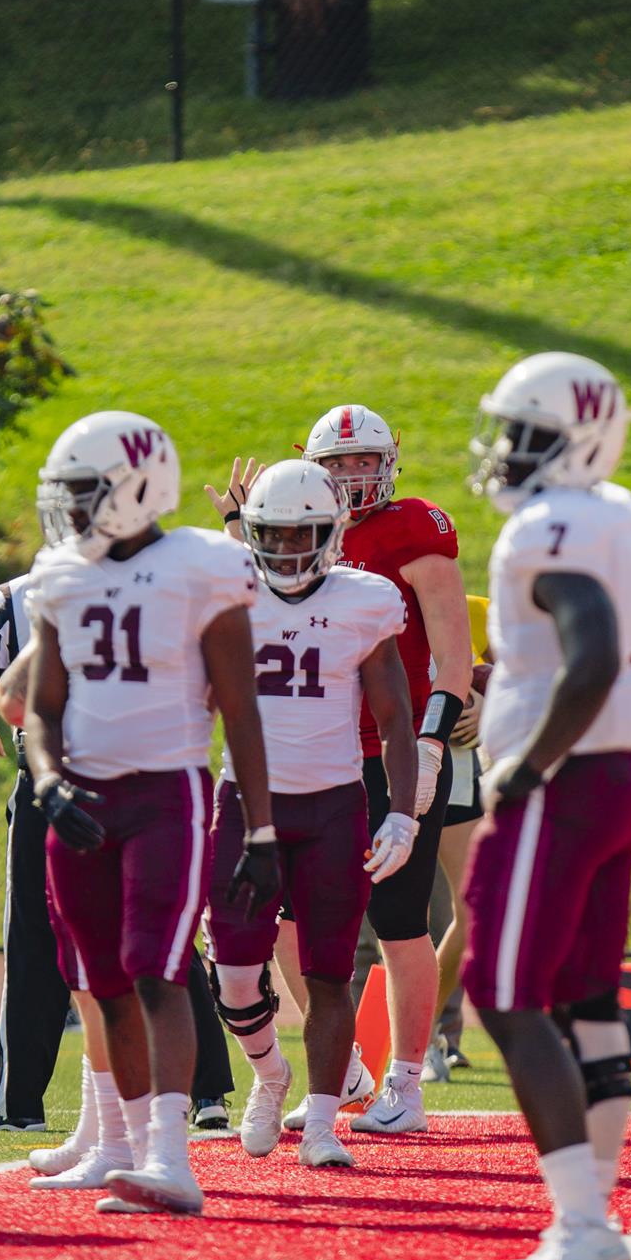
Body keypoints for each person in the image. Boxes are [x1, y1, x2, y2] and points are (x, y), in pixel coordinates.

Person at [21, 409, 272, 1216]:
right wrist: (50, 780)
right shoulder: (60, 574)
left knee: (155, 966)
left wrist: (260, 827)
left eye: (87, 491)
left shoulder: (203, 565)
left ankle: (173, 1158)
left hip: (166, 789)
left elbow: (241, 707)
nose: (74, 509)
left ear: (134, 486)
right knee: (100, 980)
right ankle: (122, 1151)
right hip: (82, 799)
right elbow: (41, 704)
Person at [461, 351, 631, 1260]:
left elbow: (591, 656)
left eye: (526, 433)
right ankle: (599, 1209)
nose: (508, 449)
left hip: (566, 783)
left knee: (506, 996)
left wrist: (529, 761)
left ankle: (583, 1219)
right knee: (586, 997)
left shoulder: (547, 530)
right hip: (617, 775)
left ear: (575, 438)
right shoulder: (617, 514)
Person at [207, 405, 472, 1137]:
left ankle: (407, 1082)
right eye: (339, 463)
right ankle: (343, 1064)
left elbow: (453, 652)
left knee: (398, 921)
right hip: (313, 757)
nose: (354, 476)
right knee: (289, 924)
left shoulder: (412, 530)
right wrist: (244, 527)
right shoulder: (297, 529)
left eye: (365, 460)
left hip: (394, 750)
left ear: (389, 463)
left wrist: (432, 741)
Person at [0, 570, 71, 1132]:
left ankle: (19, 1103)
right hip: (143, 775)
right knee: (156, 941)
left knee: (33, 940)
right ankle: (205, 1097)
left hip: (50, 777)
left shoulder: (17, 597)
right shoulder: (161, 580)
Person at [423, 591, 491, 1084]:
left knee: (473, 909)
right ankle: (359, 1051)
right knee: (384, 922)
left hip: (453, 765)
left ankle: (421, 1037)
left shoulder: (472, 608)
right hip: (373, 760)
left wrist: (488, 703)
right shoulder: (352, 593)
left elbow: (528, 676)